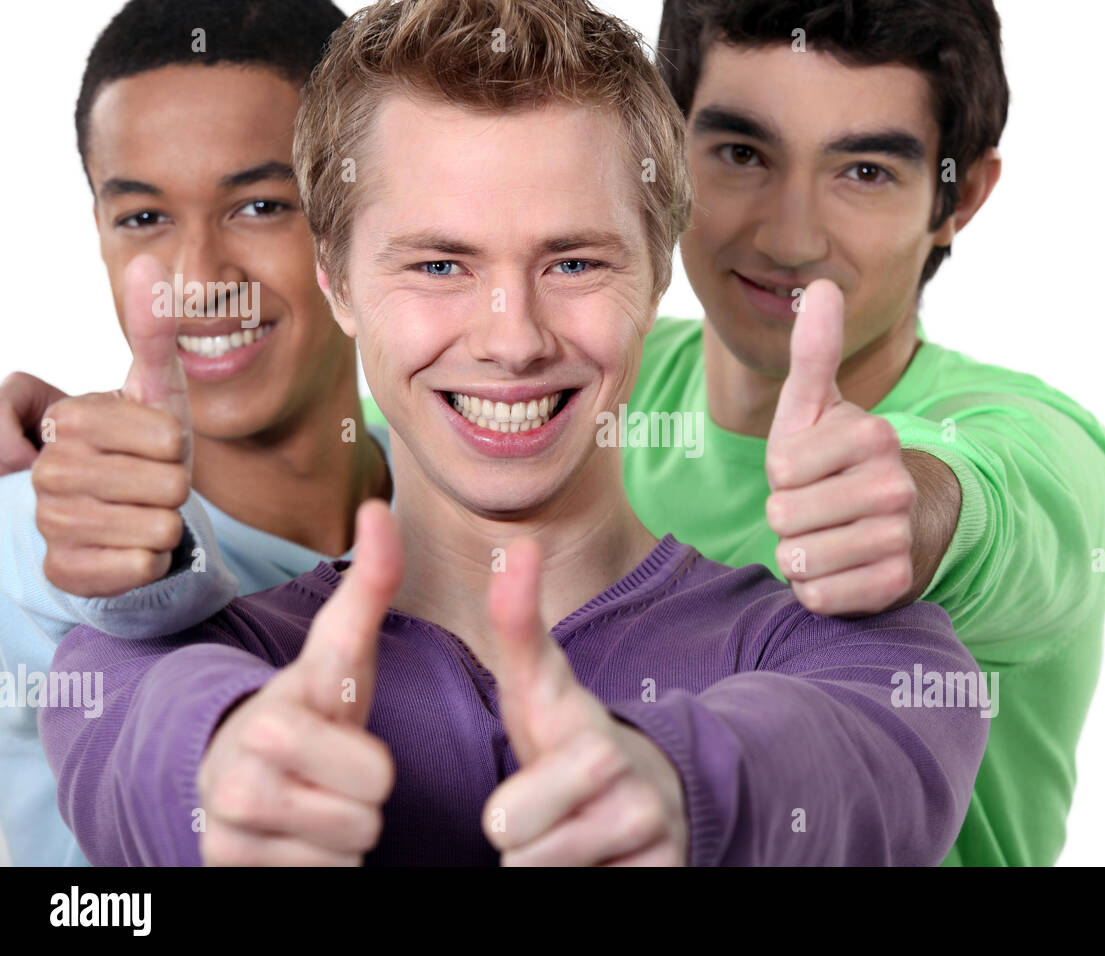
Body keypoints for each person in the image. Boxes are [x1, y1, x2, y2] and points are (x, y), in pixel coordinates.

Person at [40, 0, 987, 867]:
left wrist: (677, 787)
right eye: (440, 265)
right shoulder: (169, 663)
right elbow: (132, 720)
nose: (514, 341)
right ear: (336, 278)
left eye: (573, 263)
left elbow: (860, 753)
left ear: (659, 270)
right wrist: (220, 771)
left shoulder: (869, 661)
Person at [621, 0, 1105, 864]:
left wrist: (918, 511)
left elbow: (1013, 508)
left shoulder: (1042, 437)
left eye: (863, 171)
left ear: (960, 196)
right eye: (742, 153)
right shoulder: (583, 378)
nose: (789, 237)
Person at [0, 0, 391, 866]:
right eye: (144, 218)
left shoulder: (463, 486)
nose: (197, 281)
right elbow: (78, 567)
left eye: (260, 206)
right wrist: (140, 554)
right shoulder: (34, 526)